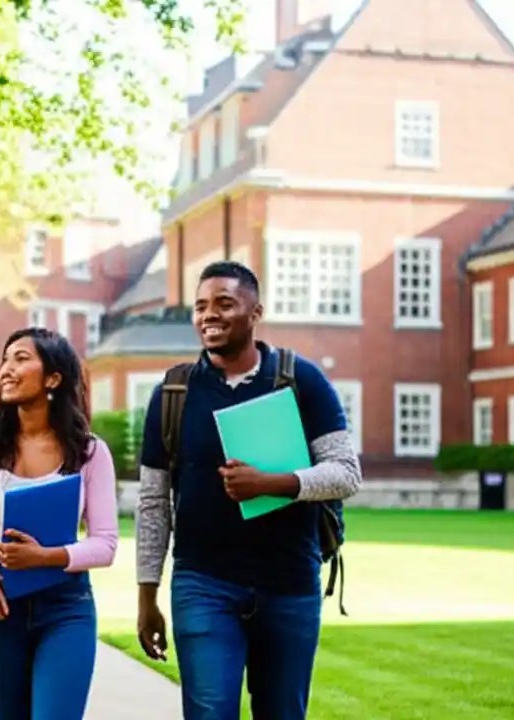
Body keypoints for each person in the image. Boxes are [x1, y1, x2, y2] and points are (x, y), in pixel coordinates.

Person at [135, 261, 362, 720]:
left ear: (255, 311)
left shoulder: (302, 381)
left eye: (224, 304)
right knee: (210, 712)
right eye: (200, 306)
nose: (208, 316)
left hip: (289, 583)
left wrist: (273, 484)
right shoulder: (173, 393)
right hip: (202, 583)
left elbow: (345, 472)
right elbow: (154, 503)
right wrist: (147, 597)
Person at [0, 327, 119, 720]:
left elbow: (106, 544)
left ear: (53, 378)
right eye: (5, 359)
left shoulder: (90, 452)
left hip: (66, 608)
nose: (7, 369)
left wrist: (46, 556)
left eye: (21, 359)